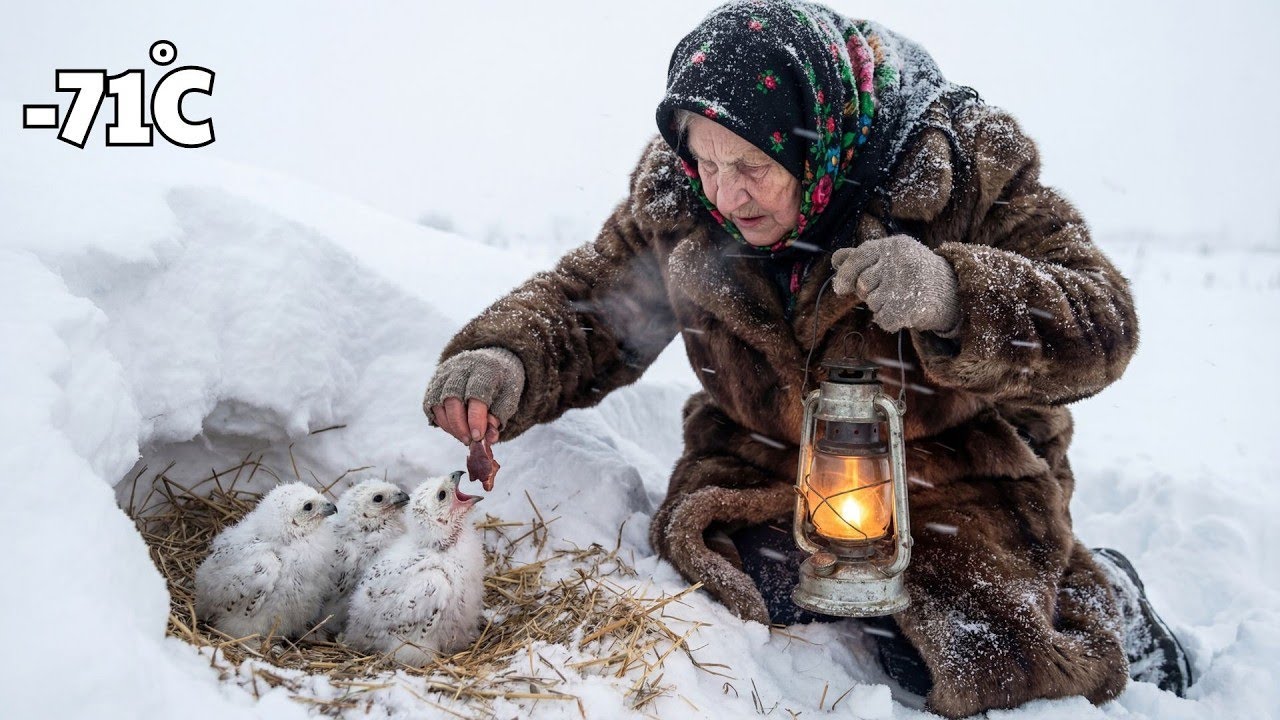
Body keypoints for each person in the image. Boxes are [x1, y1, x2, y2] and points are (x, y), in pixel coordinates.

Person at [423, 1, 1193, 716]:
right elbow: (590, 308)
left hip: (957, 462)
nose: (726, 195)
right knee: (739, 590)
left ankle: (1114, 605)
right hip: (771, 459)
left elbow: (1104, 322)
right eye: (708, 164)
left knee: (980, 658)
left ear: (813, 137)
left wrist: (955, 294)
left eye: (751, 166)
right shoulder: (682, 194)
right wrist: (504, 360)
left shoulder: (963, 162)